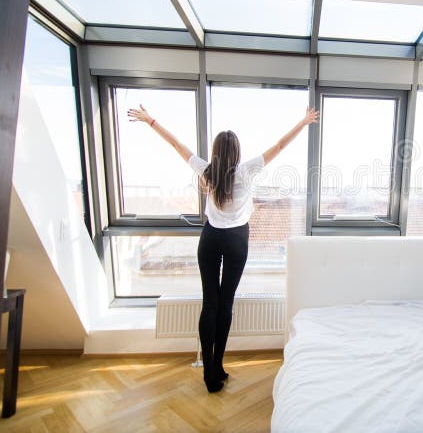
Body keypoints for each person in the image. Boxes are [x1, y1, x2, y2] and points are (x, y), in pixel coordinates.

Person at [127, 104, 319, 393]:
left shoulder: (206, 170)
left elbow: (176, 145)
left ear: (216, 152)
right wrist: (303, 121)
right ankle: (217, 365)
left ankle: (209, 371)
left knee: (210, 303)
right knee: (225, 302)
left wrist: (151, 120)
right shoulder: (246, 171)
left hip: (210, 239)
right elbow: (279, 145)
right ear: (237, 152)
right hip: (236, 240)